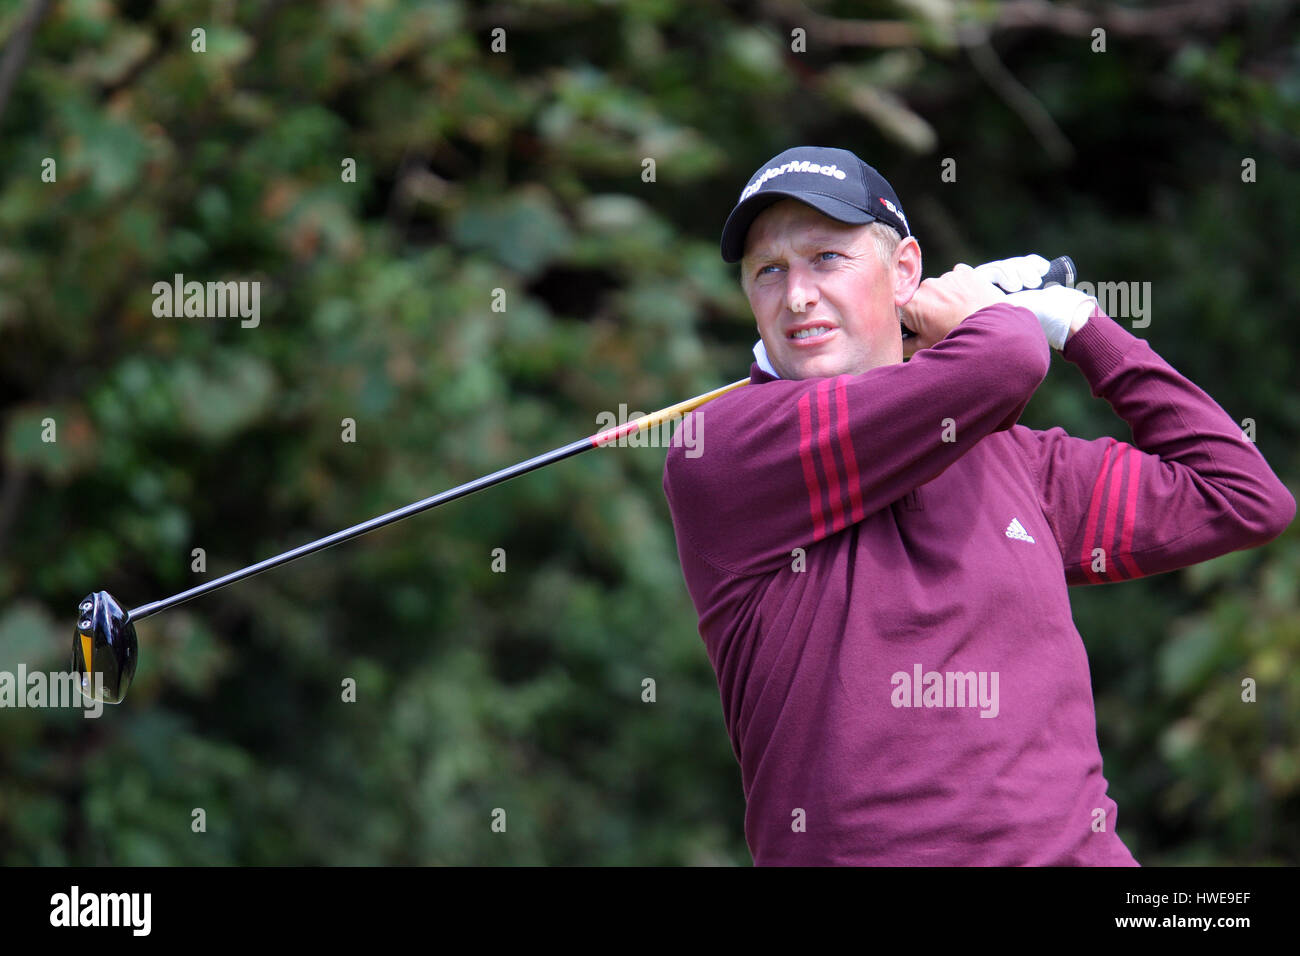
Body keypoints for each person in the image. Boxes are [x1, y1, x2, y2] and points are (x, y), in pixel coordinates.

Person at [661, 146, 1295, 865]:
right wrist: (993, 319)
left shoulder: (1018, 461)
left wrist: (1084, 326)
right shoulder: (725, 450)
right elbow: (1007, 360)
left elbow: (1242, 496)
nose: (797, 296)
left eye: (826, 258)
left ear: (905, 272)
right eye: (768, 271)